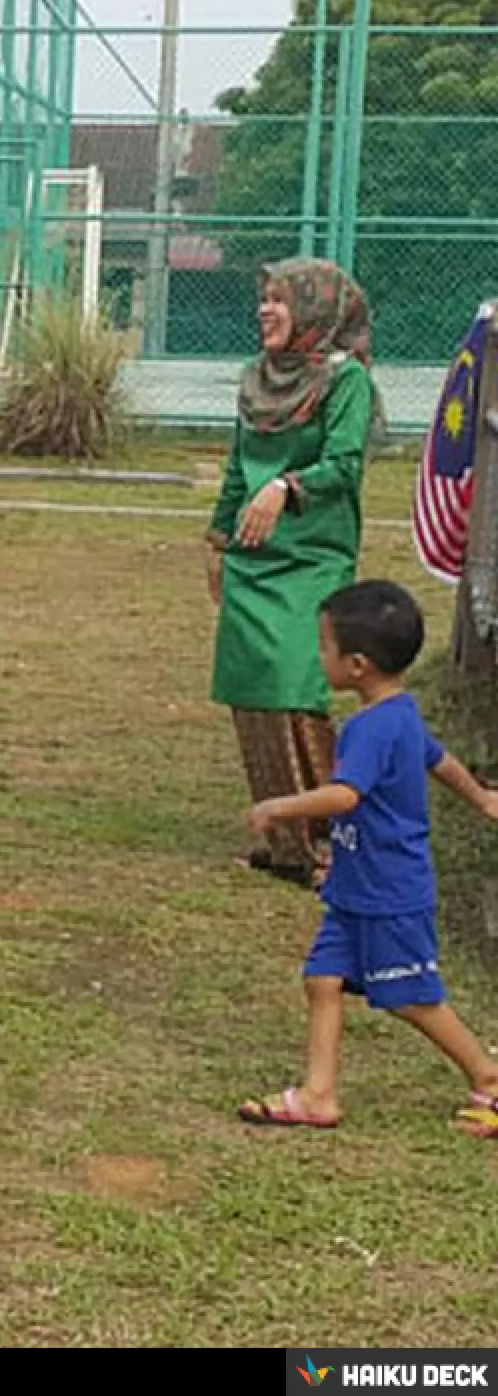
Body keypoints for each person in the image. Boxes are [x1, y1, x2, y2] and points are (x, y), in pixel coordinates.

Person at [236, 581, 498, 1138]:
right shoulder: (402, 713)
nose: (319, 656)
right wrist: (481, 798)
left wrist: (281, 805)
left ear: (356, 664)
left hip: (390, 892)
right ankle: (318, 1095)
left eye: (323, 647)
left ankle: (489, 1078)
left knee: (413, 998)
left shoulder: (370, 728)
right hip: (357, 889)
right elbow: (440, 759)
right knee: (323, 979)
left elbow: (345, 795)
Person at [208, 259, 379, 888]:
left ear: (314, 310)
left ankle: (332, 845)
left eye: (280, 301)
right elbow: (236, 464)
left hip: (311, 555)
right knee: (250, 692)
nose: (266, 310)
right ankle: (284, 846)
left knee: (294, 685)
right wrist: (217, 536)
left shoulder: (346, 382)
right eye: (263, 300)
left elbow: (344, 466)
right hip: (252, 557)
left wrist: (285, 485)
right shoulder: (257, 379)